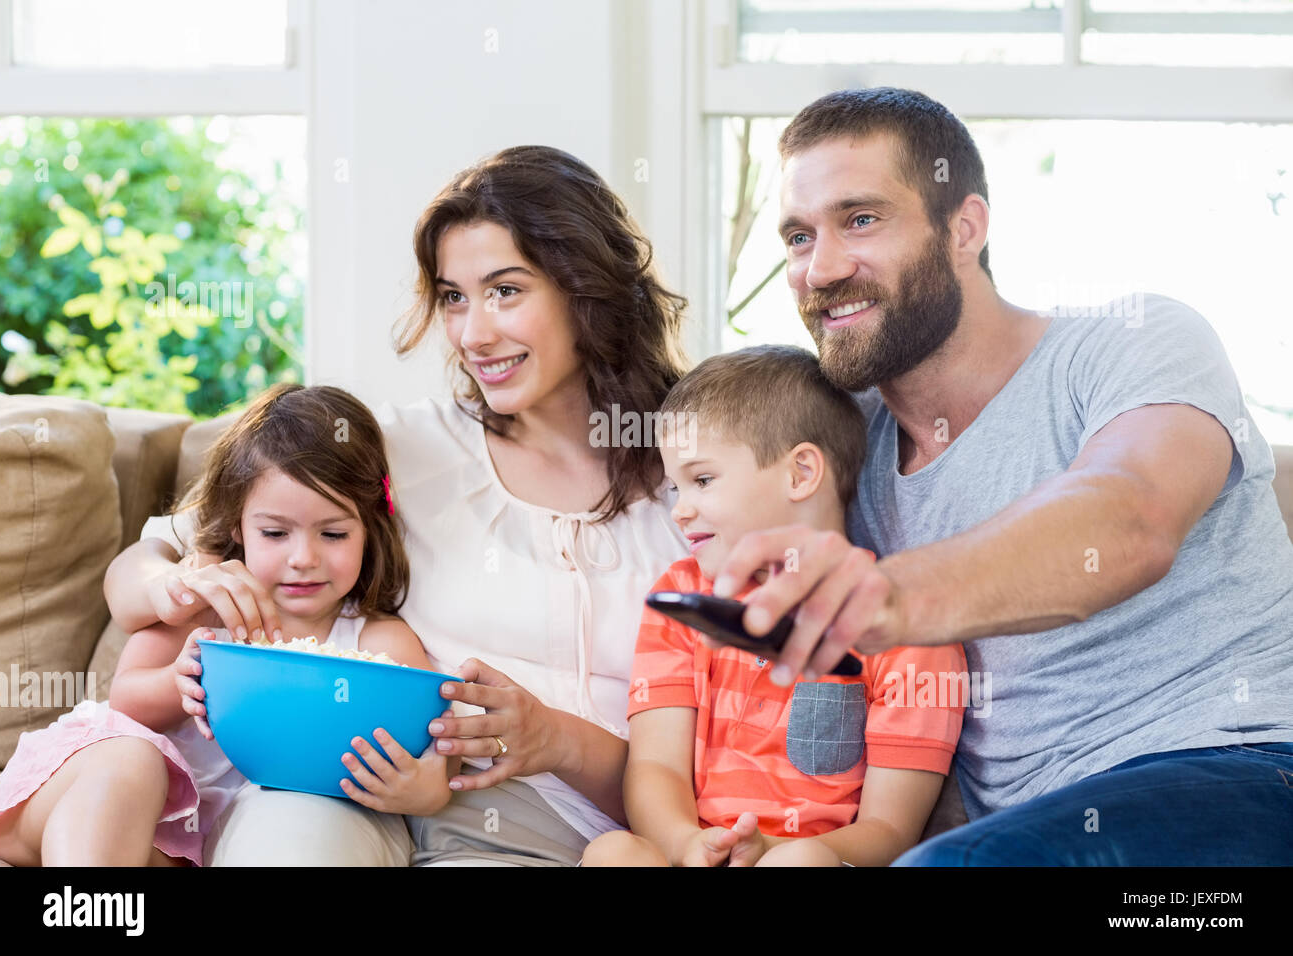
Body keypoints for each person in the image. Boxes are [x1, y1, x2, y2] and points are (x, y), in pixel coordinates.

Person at [708, 87, 1293, 865]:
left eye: (861, 219)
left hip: (1234, 776)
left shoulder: (1130, 342)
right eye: (796, 236)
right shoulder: (842, 444)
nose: (821, 268)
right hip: (1016, 832)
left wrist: (884, 597)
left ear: (964, 228)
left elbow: (1130, 519)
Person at [102, 145, 693, 866]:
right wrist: (175, 583)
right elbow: (155, 552)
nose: (474, 334)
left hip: (635, 833)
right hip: (384, 795)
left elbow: (726, 753)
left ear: (585, 288)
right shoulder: (402, 446)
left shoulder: (695, 478)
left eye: (506, 290)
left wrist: (560, 740)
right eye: (453, 297)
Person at [0, 384, 444, 866]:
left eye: (333, 534)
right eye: (274, 533)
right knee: (135, 760)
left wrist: (420, 791)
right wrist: (179, 682)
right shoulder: (208, 597)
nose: (303, 559)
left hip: (178, 846)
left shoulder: (375, 640)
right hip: (84, 798)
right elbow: (126, 700)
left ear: (370, 528)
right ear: (238, 528)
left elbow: (433, 751)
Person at [581, 346, 966, 867]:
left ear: (800, 473)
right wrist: (688, 845)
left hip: (809, 859)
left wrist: (769, 851)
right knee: (613, 852)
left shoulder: (902, 628)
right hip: (692, 855)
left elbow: (889, 831)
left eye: (702, 479)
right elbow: (656, 767)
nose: (680, 510)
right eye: (675, 487)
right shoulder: (683, 599)